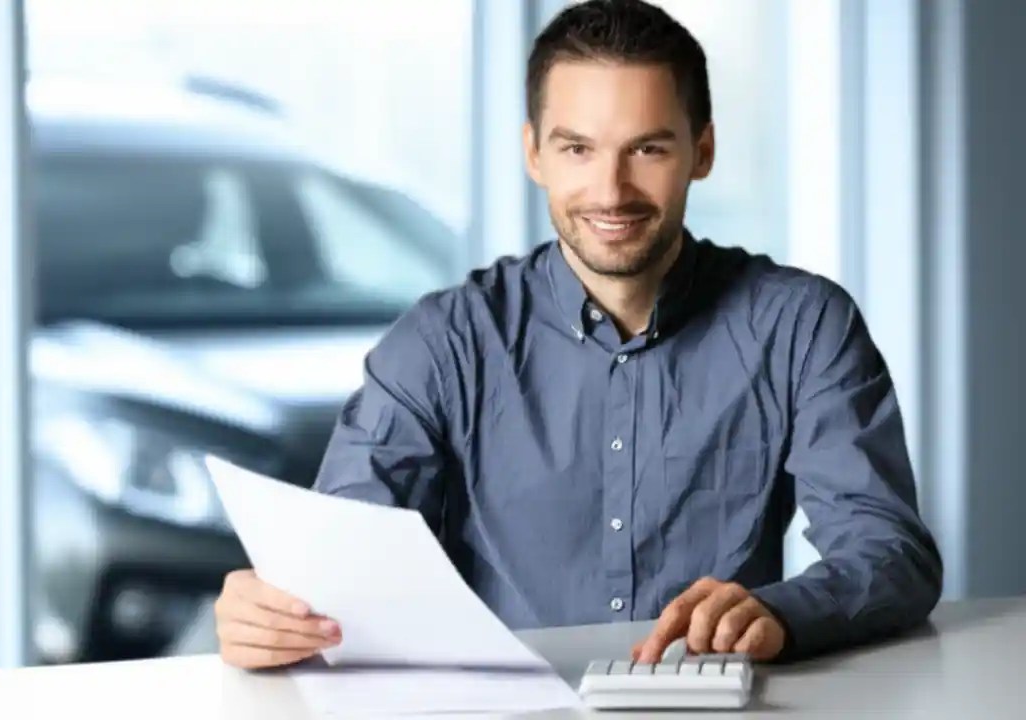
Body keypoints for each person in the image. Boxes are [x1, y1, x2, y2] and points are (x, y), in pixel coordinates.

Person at [213, 0, 943, 671]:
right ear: (535, 153)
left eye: (648, 149)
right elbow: (337, 569)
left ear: (703, 150)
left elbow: (889, 550)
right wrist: (270, 614)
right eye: (578, 149)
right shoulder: (443, 343)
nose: (611, 190)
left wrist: (778, 614)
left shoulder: (802, 327)